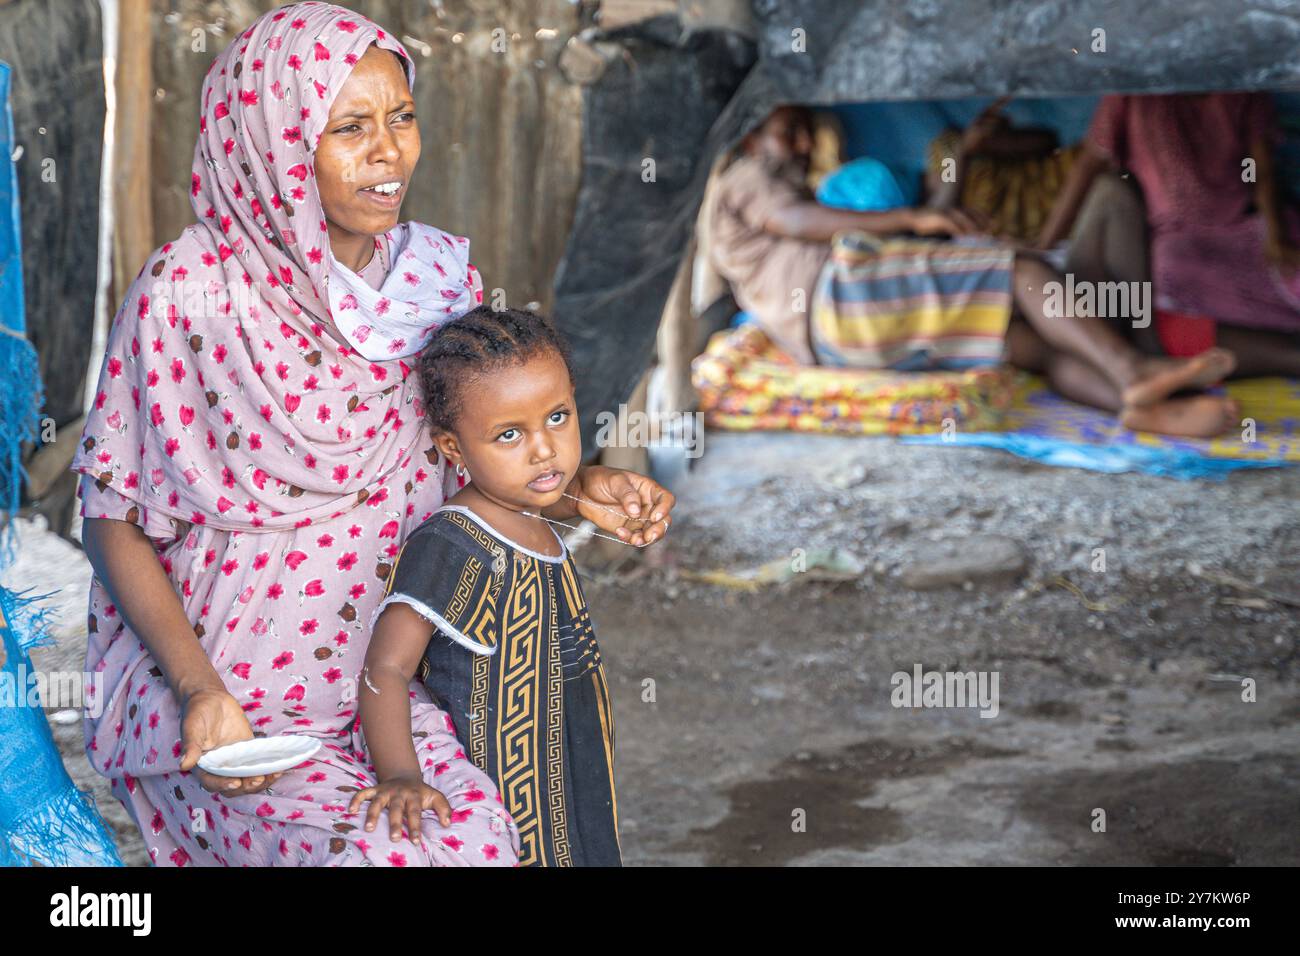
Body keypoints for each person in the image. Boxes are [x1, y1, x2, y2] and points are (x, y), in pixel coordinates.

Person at [71, 2, 673, 867]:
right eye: (349, 128)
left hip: (387, 691)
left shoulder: (432, 282)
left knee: (478, 844)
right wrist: (201, 693)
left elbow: (465, 445)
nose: (389, 153)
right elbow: (111, 515)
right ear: (274, 146)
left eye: (401, 118)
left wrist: (582, 491)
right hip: (230, 709)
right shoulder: (190, 290)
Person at [706, 104, 1241, 438]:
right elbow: (794, 219)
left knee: (1029, 343)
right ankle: (1134, 372)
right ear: (749, 139)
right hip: (844, 297)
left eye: (804, 133)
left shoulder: (752, 211)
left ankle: (1140, 407)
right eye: (787, 132)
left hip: (842, 339)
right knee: (1020, 270)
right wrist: (914, 215)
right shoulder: (745, 175)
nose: (800, 146)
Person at [355, 307, 623, 867]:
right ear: (453, 449)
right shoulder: (452, 543)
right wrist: (400, 773)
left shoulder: (538, 516)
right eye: (509, 434)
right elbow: (385, 668)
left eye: (557, 417)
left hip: (575, 760)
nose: (544, 448)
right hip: (504, 785)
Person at [1039, 92, 1300, 376]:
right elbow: (1091, 163)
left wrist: (1276, 235)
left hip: (1240, 230)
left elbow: (1262, 170)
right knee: (1171, 266)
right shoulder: (1132, 91)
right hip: (1177, 250)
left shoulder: (1239, 88)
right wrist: (1044, 245)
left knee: (1285, 269)